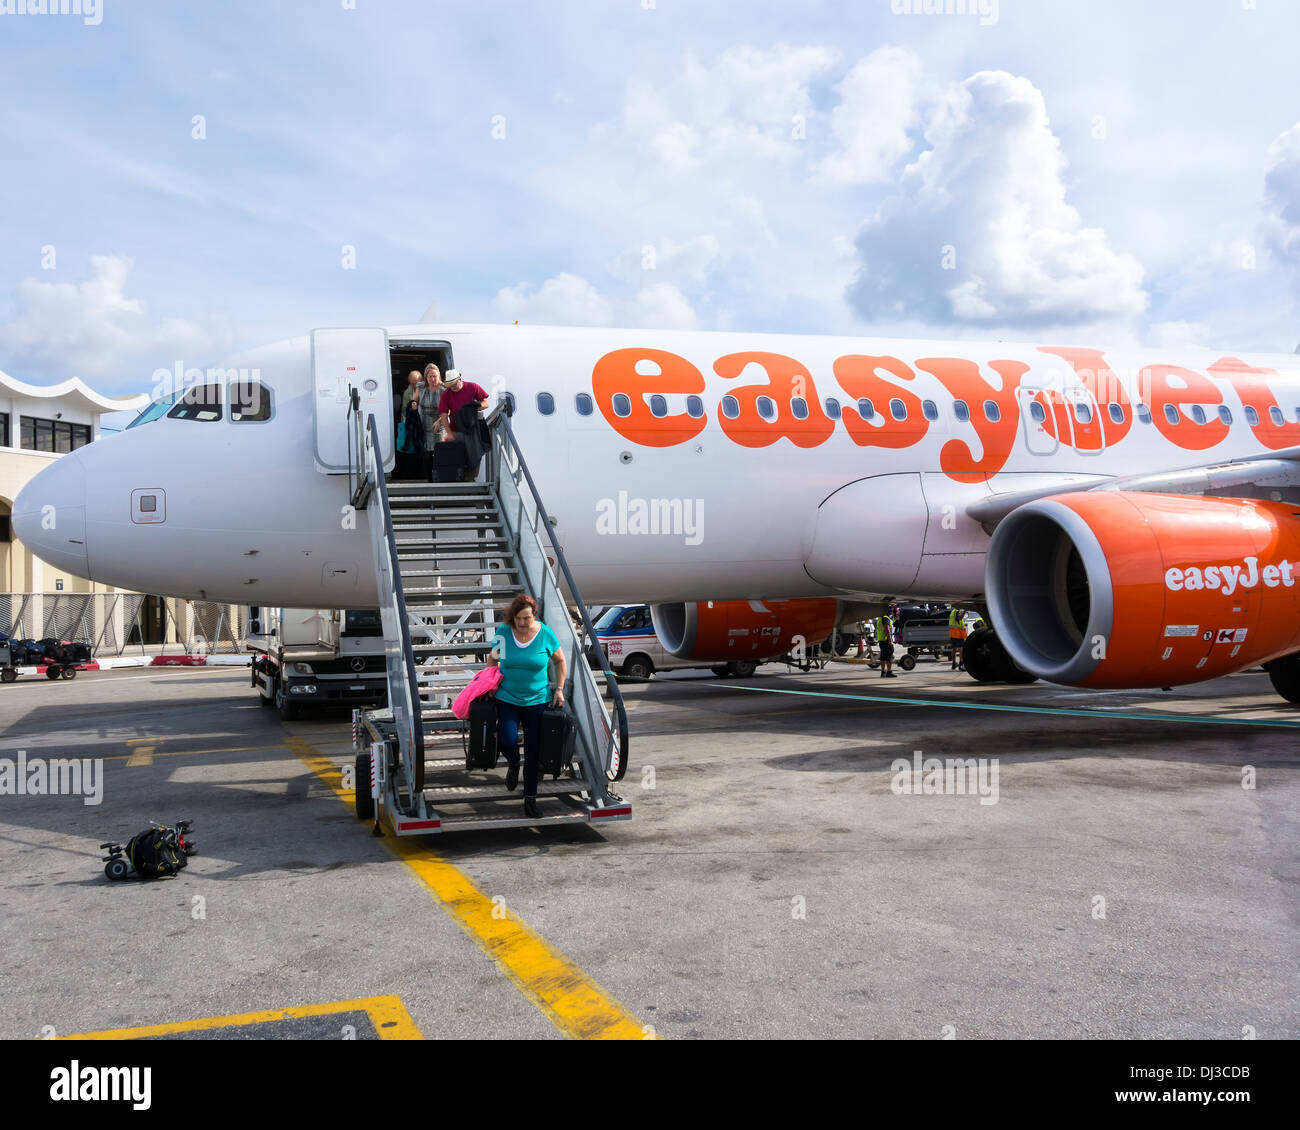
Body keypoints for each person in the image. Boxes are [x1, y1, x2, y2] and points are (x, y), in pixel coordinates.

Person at [484, 593, 566, 818]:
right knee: (507, 740)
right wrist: (487, 682)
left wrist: (559, 688)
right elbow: (493, 658)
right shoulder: (503, 632)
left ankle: (530, 798)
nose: (522, 623)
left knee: (533, 751)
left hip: (537, 699)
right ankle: (512, 763)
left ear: (534, 616)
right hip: (507, 697)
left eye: (526, 619)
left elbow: (560, 660)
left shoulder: (544, 634)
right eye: (518, 618)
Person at [418, 364, 443, 480]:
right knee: (426, 453)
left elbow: (448, 409)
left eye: (435, 376)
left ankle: (439, 477)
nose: (433, 379)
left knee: (438, 451)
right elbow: (414, 401)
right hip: (424, 422)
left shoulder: (444, 389)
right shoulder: (421, 388)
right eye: (430, 377)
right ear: (426, 378)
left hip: (440, 422)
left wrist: (439, 420)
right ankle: (428, 478)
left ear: (439, 375)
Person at [876, 611, 896, 677]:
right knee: (889, 655)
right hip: (886, 639)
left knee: (883, 656)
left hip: (881, 640)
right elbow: (887, 630)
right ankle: (889, 672)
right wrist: (890, 641)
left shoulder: (879, 618)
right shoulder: (886, 618)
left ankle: (883, 672)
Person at [949, 605, 967, 671]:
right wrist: (965, 611)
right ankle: (961, 663)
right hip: (958, 633)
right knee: (960, 648)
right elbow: (960, 618)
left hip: (953, 633)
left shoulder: (953, 611)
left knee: (954, 648)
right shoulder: (958, 611)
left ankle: (953, 663)